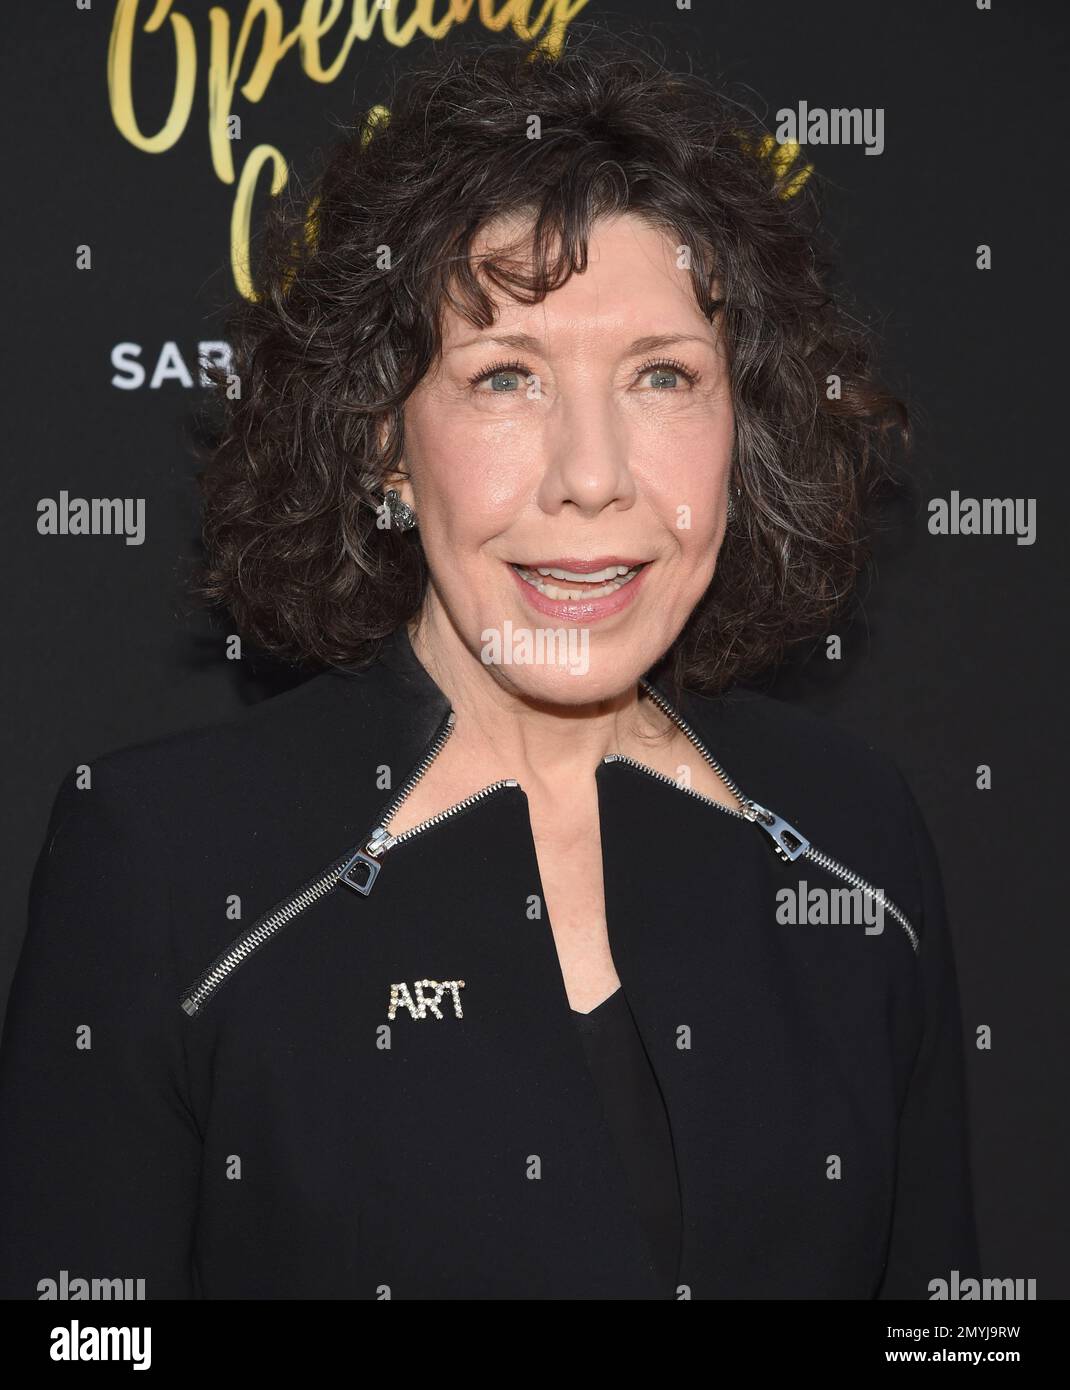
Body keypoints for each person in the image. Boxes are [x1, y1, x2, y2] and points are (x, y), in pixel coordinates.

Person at [0, 33, 979, 1300]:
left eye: (662, 378)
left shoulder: (856, 837)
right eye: (506, 377)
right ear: (382, 448)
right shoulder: (163, 865)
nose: (590, 474)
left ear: (742, 431)